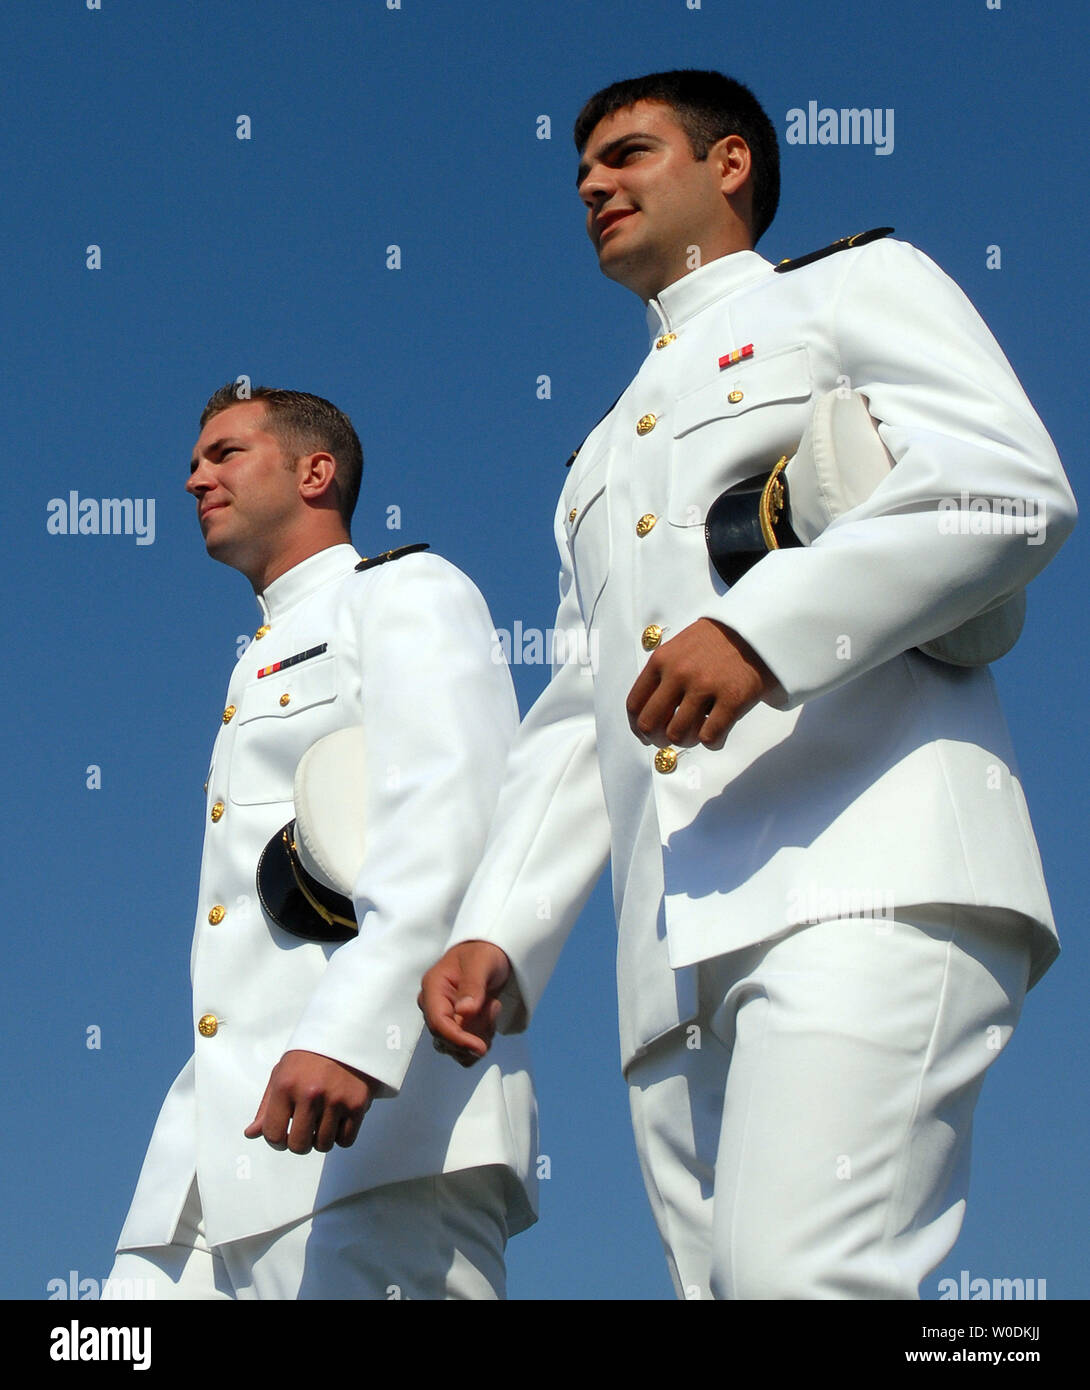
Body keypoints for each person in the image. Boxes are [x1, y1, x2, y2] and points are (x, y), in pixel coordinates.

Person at [420, 70, 1076, 1299]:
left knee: (803, 1279)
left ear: (729, 165)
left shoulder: (851, 288)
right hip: (669, 960)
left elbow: (1006, 488)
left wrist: (763, 630)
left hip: (865, 870)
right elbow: (579, 718)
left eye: (626, 154)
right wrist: (499, 926)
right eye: (580, 172)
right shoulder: (594, 457)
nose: (592, 186)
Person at [103, 384, 535, 1300]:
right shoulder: (259, 652)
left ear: (315, 472)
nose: (194, 480)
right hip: (210, 1162)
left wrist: (353, 1037)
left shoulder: (406, 592)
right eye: (192, 464)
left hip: (379, 1132)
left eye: (224, 454)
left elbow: (454, 819)